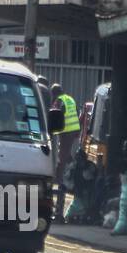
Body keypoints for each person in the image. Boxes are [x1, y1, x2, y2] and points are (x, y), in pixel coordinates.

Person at [51, 83, 80, 220]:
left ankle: (60, 177)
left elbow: (58, 114)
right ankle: (70, 169)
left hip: (67, 130)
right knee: (67, 153)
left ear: (55, 93)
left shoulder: (59, 100)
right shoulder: (70, 98)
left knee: (62, 156)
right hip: (73, 130)